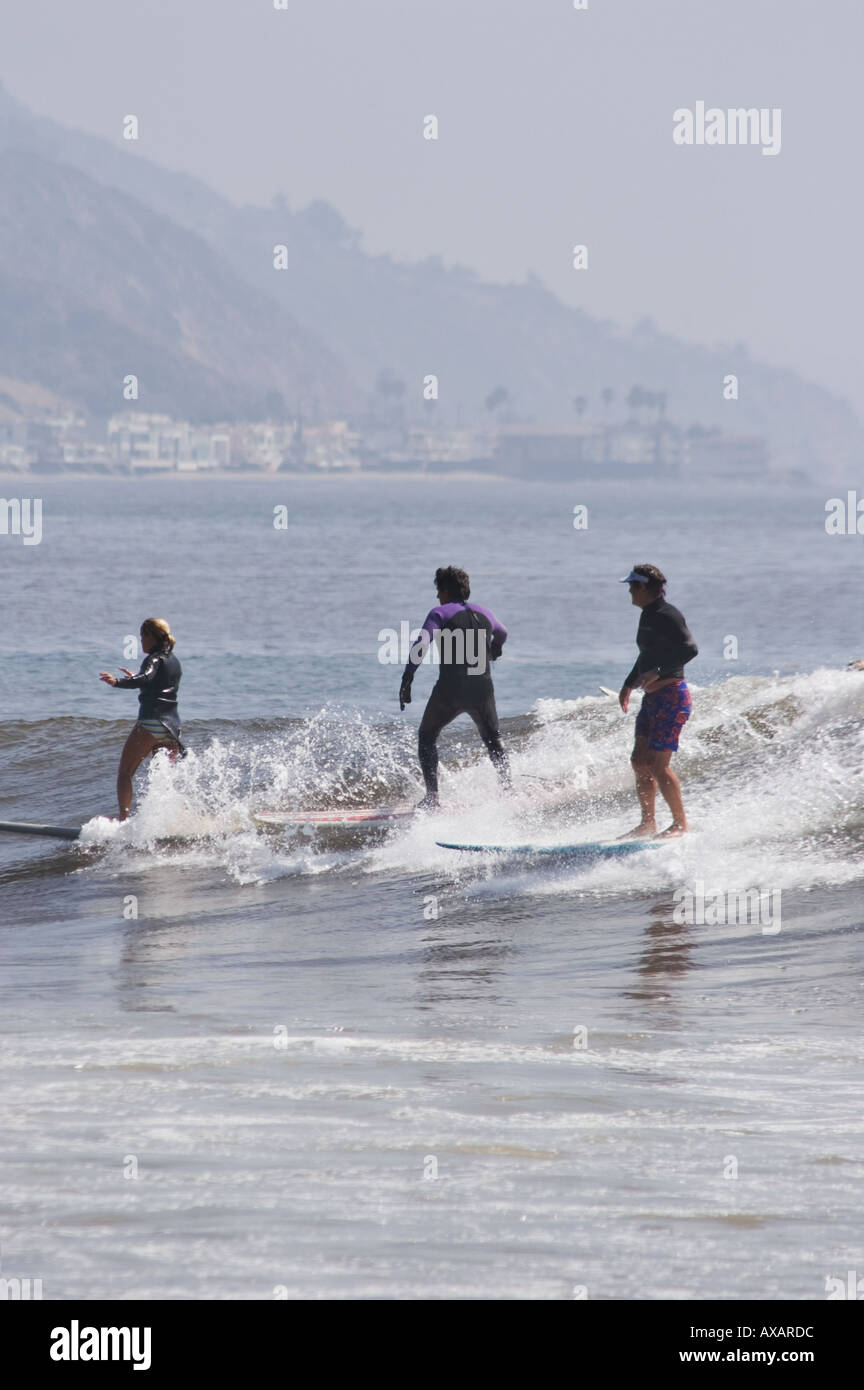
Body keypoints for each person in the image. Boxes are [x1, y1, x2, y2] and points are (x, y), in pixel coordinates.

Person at [399, 566, 510, 810]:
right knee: (493, 739)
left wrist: (408, 678)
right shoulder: (484, 612)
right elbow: (502, 633)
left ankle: (432, 798)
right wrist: (496, 648)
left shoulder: (440, 613)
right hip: (482, 689)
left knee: (427, 737)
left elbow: (422, 643)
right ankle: (509, 789)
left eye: (439, 591)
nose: (438, 596)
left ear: (446, 591)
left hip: (450, 689)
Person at [618, 565, 697, 838]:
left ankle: (680, 824)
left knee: (659, 766)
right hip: (652, 699)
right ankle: (647, 823)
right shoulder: (647, 616)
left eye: (632, 586)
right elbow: (646, 655)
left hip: (672, 697)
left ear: (643, 587)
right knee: (639, 761)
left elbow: (690, 649)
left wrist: (660, 672)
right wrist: (629, 684)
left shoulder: (668, 615)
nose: (629, 591)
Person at [99, 618, 183, 821]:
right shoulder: (174, 661)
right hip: (172, 727)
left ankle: (123, 821)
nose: (140, 642)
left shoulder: (153, 659)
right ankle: (162, 821)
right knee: (162, 780)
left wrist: (118, 682)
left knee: (125, 773)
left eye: (141, 636)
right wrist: (137, 678)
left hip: (151, 722)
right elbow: (156, 684)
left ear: (150, 636)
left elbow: (146, 678)